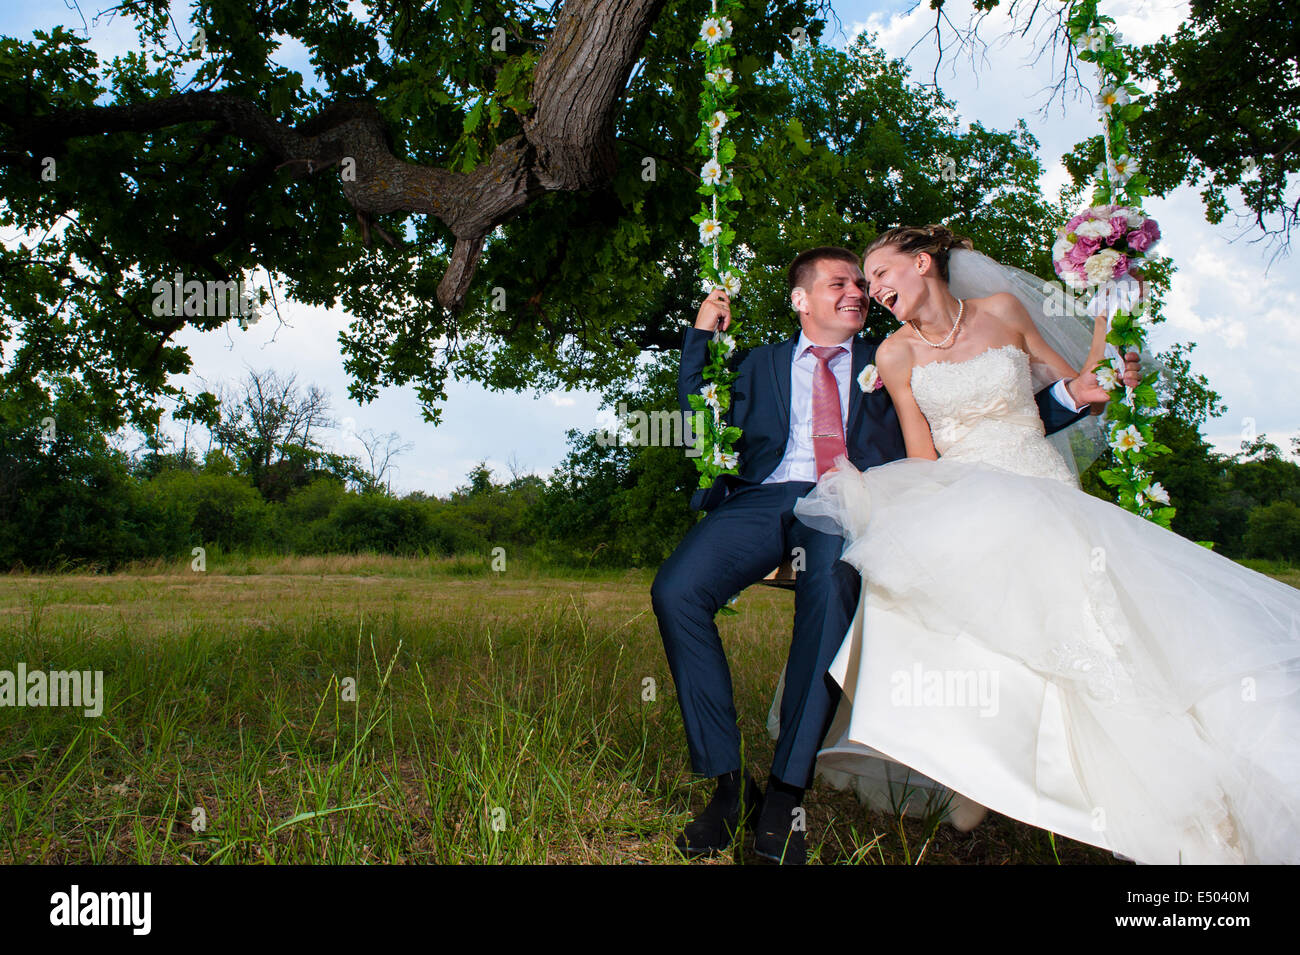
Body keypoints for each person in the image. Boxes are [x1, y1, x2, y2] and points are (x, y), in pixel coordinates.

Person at [787, 225, 1300, 864]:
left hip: (1040, 481)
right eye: (867, 283)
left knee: (1087, 621)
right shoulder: (893, 355)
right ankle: (974, 762)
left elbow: (1076, 387)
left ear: (922, 263)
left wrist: (1108, 333)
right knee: (930, 596)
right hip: (966, 489)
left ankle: (1136, 778)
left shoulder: (1002, 312)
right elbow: (923, 454)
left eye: (881, 273)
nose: (874, 289)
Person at [651, 244, 1139, 863]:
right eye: (839, 283)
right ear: (800, 300)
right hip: (765, 496)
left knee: (829, 591)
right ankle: (727, 786)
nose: (857, 291)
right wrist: (701, 335)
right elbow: (699, 412)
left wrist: (1074, 395)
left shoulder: (893, 358)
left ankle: (785, 795)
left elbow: (994, 417)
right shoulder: (758, 364)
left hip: (854, 496)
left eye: (863, 281)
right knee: (675, 592)